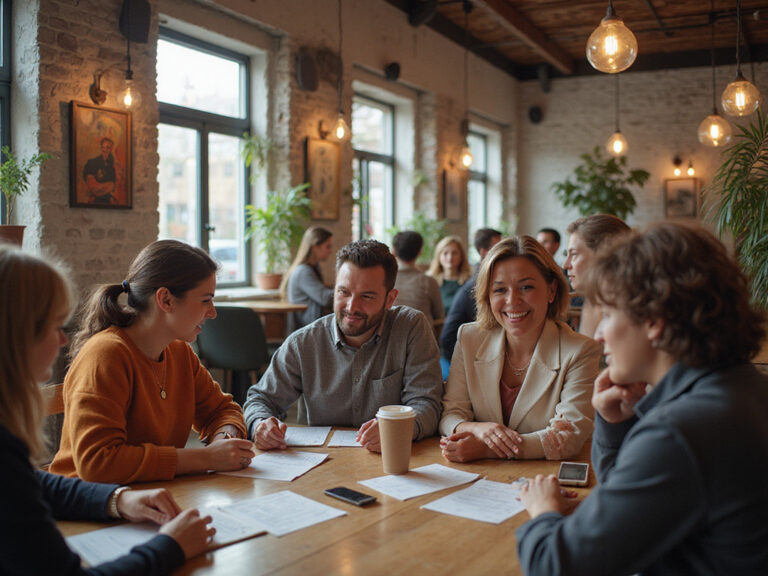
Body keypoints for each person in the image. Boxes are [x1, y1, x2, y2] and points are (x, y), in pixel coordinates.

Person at [517, 223, 768, 576]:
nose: (600, 334)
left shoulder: (683, 430)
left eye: (607, 314)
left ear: (654, 320)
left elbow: (553, 565)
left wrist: (543, 511)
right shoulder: (743, 388)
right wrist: (615, 423)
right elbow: (630, 496)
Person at [0, 245, 214, 576]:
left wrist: (116, 500)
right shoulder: (106, 354)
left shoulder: (180, 354)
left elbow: (29, 481)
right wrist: (169, 547)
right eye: (54, 325)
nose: (62, 341)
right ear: (12, 334)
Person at [50, 240, 254, 484]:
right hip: (86, 507)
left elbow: (222, 410)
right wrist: (206, 458)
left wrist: (224, 438)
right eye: (205, 300)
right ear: (165, 300)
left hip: (151, 495)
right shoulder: (105, 355)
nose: (213, 312)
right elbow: (98, 462)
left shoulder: (179, 353)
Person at [244, 239, 443, 452]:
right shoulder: (304, 342)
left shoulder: (411, 328)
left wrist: (398, 427)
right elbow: (260, 399)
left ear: (389, 299)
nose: (351, 307)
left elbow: (428, 405)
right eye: (343, 292)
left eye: (366, 296)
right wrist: (260, 425)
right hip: (320, 466)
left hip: (391, 462)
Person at [439, 236, 601, 462]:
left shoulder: (580, 351)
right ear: (487, 294)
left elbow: (568, 435)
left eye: (526, 287)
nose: (512, 301)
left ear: (551, 291)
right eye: (500, 290)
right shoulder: (469, 337)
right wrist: (479, 430)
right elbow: (451, 414)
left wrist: (488, 448)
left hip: (543, 483)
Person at [440, 228, 502, 379]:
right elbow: (447, 339)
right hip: (461, 358)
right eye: (498, 247)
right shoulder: (478, 285)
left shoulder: (482, 278)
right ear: (483, 252)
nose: (504, 252)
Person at [563, 214, 630, 338]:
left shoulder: (630, 311)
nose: (565, 265)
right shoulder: (593, 303)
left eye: (574, 254)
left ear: (604, 254)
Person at [281, 226, 334, 334]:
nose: (330, 251)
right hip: (306, 331)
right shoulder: (303, 271)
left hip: (311, 326)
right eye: (328, 247)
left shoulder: (313, 267)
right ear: (315, 247)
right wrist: (346, 290)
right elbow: (325, 298)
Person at [392, 230, 444, 323]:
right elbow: (439, 316)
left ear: (394, 252)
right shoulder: (428, 282)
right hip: (422, 334)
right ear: (420, 251)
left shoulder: (384, 280)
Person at [427, 235, 472, 313]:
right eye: (445, 253)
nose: (450, 257)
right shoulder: (430, 281)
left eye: (454, 253)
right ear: (439, 256)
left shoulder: (470, 281)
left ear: (461, 256)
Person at [83, 137, 120, 205]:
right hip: (94, 201)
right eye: (103, 147)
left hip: (109, 200)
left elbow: (113, 186)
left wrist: (106, 186)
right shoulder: (92, 163)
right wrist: (108, 186)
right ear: (101, 147)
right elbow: (94, 188)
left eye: (108, 148)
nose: (104, 150)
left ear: (111, 149)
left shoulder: (113, 166)